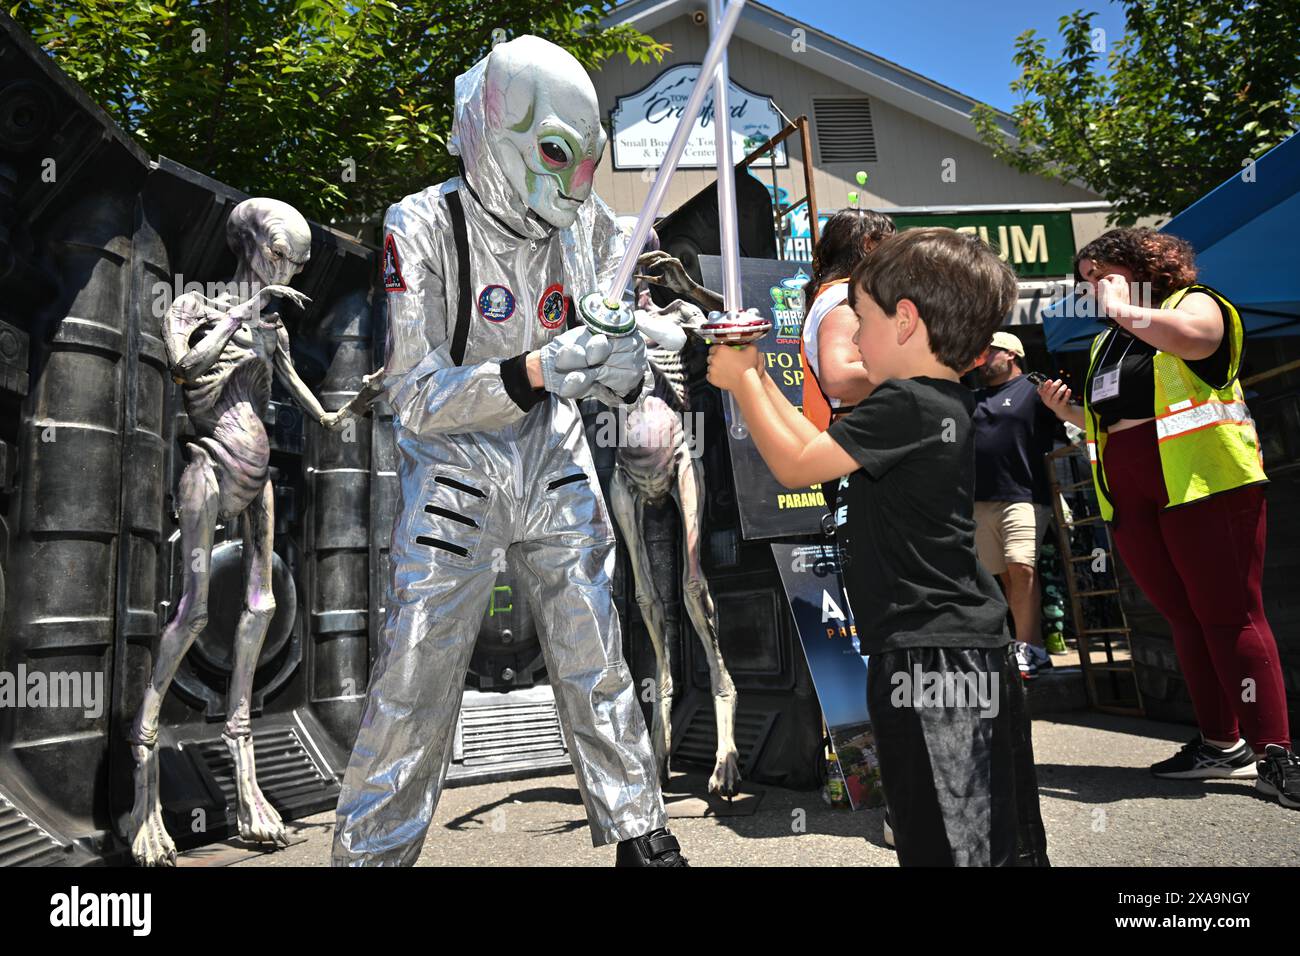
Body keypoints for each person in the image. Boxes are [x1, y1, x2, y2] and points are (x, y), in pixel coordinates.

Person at [332, 36, 688, 866]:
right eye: (555, 154)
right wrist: (537, 368)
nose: (574, 184)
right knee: (418, 669)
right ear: (491, 132)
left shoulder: (597, 230)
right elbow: (413, 393)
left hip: (556, 460)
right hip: (454, 471)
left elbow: (619, 376)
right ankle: (371, 852)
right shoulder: (420, 224)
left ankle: (641, 827)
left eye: (585, 159)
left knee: (594, 650)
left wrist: (626, 369)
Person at [708, 228, 1049, 865]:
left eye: (859, 320)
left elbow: (795, 466)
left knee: (954, 837)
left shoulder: (910, 406)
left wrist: (743, 386)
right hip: (944, 648)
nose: (854, 338)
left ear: (905, 322)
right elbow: (814, 446)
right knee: (976, 828)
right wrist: (753, 372)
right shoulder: (920, 402)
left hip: (936, 656)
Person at [1038, 227, 1297, 810]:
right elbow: (1112, 420)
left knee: (1231, 614)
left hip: (1202, 481)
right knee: (1183, 616)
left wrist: (1124, 309)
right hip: (1133, 492)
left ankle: (1275, 752)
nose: (1093, 288)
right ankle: (1219, 741)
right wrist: (1070, 410)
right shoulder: (1111, 340)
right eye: (1086, 282)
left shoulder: (1195, 302)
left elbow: (1198, 343)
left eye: (1101, 273)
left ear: (1140, 265)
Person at [972, 330, 1062, 679]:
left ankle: (1027, 646)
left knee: (1022, 568)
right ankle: (1032, 648)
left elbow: (1064, 421)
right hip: (981, 501)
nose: (981, 358)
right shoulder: (973, 396)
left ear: (1011, 354)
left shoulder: (1033, 388)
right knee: (1006, 577)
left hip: (1024, 495)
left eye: (988, 350)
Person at [801, 210, 895, 523]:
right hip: (861, 456)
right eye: (891, 246)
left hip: (858, 454)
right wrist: (919, 369)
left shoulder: (840, 295)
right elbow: (839, 378)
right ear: (869, 244)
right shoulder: (844, 296)